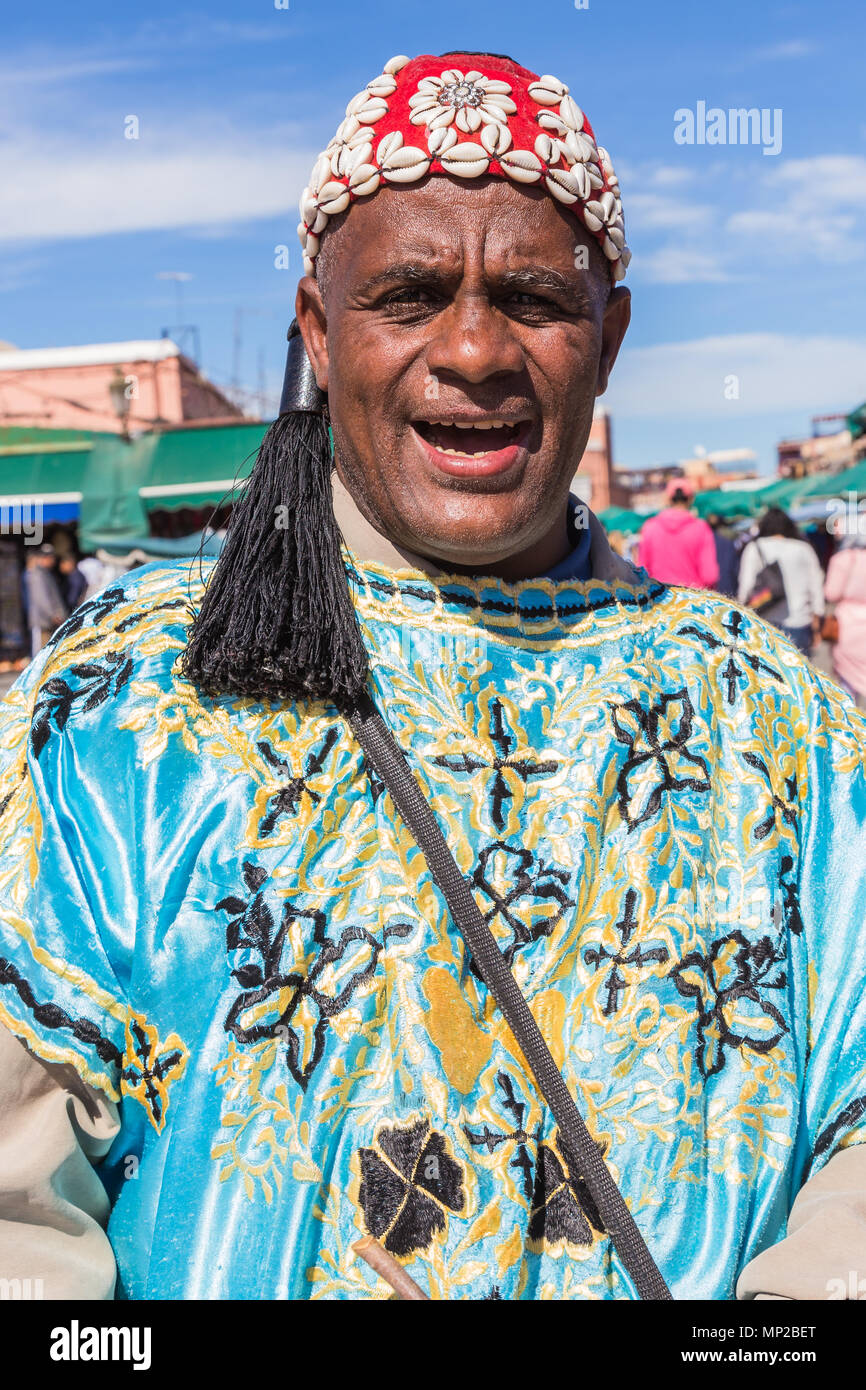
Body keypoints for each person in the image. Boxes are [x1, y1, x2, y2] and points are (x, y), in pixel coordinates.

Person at [1, 49, 865, 1303]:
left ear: (609, 336)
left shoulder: (776, 725)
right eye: (407, 295)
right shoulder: (132, 699)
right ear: (316, 328)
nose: (472, 349)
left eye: (531, 297)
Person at [738, 508, 825, 654]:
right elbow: (816, 587)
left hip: (765, 622)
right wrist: (817, 623)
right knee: (798, 675)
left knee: (767, 675)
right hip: (800, 622)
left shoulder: (754, 548)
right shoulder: (803, 548)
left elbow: (745, 587)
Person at [635, 479, 719, 589]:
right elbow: (710, 576)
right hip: (692, 600)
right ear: (691, 499)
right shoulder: (701, 528)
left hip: (659, 599)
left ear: (668, 499)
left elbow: (641, 571)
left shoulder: (650, 527)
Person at [825, 533, 866, 706]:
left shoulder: (843, 559)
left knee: (847, 685)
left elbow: (831, 593)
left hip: (848, 625)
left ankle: (852, 729)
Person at [23, 543, 67, 657]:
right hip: (42, 621)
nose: (52, 560)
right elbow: (41, 599)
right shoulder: (36, 574)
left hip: (48, 622)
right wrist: (53, 615)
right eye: (50, 557)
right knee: (39, 655)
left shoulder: (46, 573)